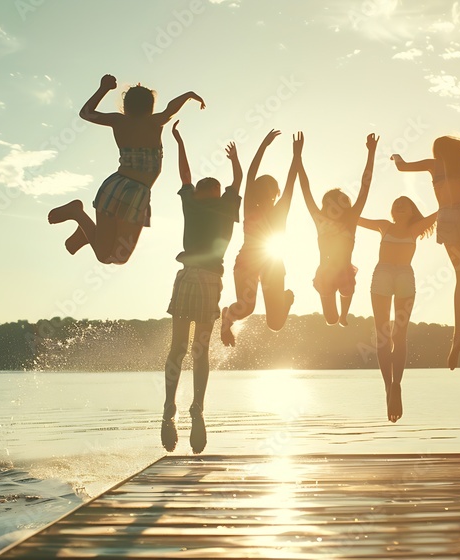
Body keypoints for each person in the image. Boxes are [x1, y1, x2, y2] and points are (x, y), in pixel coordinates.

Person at [48, 74, 205, 264]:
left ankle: (85, 227)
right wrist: (190, 95)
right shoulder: (155, 122)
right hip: (136, 194)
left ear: (125, 107)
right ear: (150, 107)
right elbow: (172, 107)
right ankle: (80, 218)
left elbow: (86, 113)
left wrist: (104, 88)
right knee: (118, 258)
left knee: (107, 255)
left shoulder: (118, 121)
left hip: (114, 187)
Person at [161, 120, 242, 455]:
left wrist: (179, 140)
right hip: (209, 281)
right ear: (218, 192)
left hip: (188, 277)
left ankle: (169, 409)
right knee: (200, 351)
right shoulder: (226, 207)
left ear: (200, 192)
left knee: (179, 348)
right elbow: (238, 181)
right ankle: (197, 409)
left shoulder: (192, 203)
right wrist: (235, 160)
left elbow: (184, 176)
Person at [392, 134, 460, 368]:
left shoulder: (433, 165)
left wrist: (396, 155)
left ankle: (458, 336)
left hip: (449, 218)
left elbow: (402, 167)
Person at [357, 196, 437, 422]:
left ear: (412, 211)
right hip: (382, 276)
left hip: (404, 277)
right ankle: (389, 389)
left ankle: (396, 385)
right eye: (397, 204)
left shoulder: (416, 228)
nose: (400, 207)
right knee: (382, 336)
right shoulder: (384, 225)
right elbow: (355, 218)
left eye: (405, 205)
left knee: (398, 336)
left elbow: (444, 209)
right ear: (392, 210)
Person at [220, 130, 296, 347]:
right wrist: (263, 144)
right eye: (262, 190)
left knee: (275, 323)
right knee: (246, 308)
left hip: (272, 263)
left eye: (271, 192)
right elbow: (251, 174)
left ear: (275, 195)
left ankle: (286, 300)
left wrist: (296, 158)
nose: (266, 195)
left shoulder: (280, 210)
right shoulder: (249, 209)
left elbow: (291, 184)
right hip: (248, 261)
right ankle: (227, 319)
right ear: (256, 193)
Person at [298, 132, 377, 325]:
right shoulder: (320, 220)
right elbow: (305, 189)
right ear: (326, 206)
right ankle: (338, 316)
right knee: (330, 320)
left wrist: (371, 153)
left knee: (346, 291)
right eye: (331, 205)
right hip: (325, 272)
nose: (335, 209)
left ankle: (344, 314)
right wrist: (297, 158)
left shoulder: (350, 220)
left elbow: (365, 187)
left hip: (344, 271)